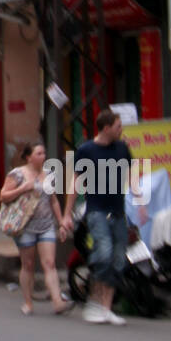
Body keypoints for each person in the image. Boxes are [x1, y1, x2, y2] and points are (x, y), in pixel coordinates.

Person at [64, 108, 140, 327]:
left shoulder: (122, 147)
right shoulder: (86, 150)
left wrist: (139, 198)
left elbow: (132, 172)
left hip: (118, 211)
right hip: (96, 212)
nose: (121, 129)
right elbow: (75, 183)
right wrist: (67, 214)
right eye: (118, 126)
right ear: (106, 128)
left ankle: (106, 309)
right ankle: (95, 301)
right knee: (104, 253)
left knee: (118, 259)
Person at [0, 141, 72, 316]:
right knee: (28, 264)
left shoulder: (48, 174)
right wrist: (23, 188)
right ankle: (28, 302)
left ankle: (57, 301)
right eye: (38, 153)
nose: (43, 156)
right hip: (25, 227)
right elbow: (3, 196)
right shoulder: (17, 174)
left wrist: (61, 222)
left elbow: (53, 200)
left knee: (49, 263)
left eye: (44, 153)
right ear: (28, 157)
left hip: (46, 225)